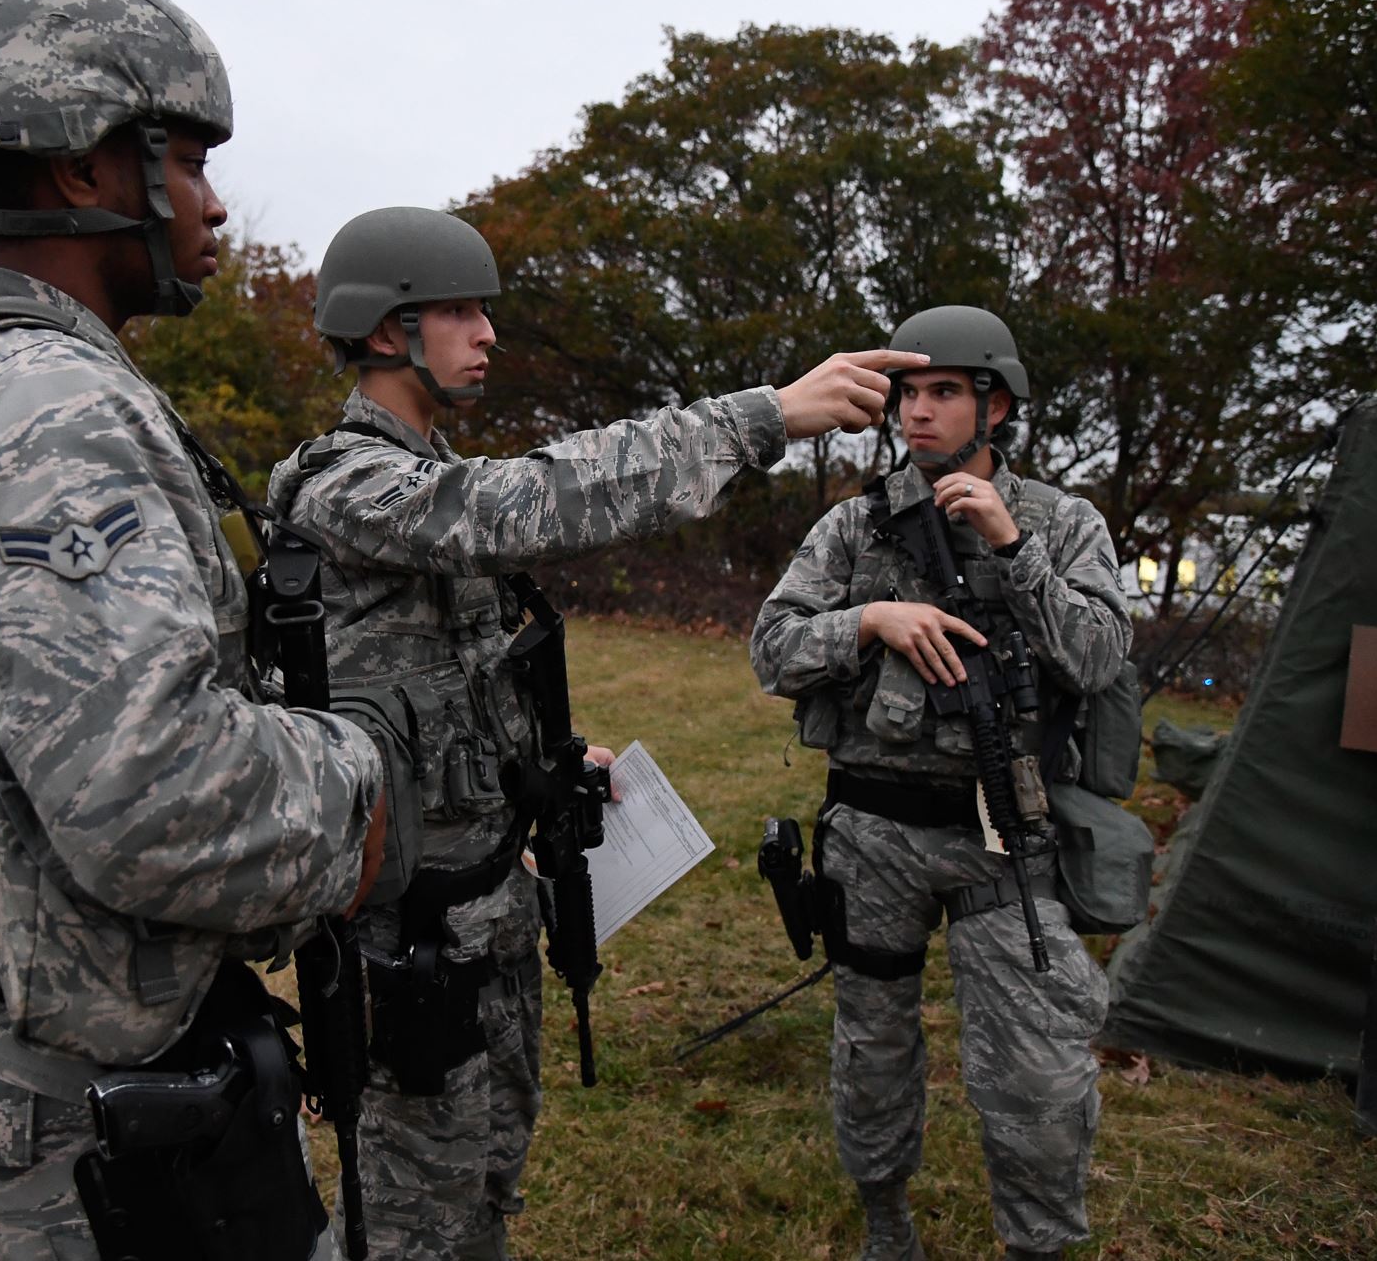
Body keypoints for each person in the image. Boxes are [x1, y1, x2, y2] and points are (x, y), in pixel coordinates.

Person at [0, 0, 386, 1261]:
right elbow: (146, 790)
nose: (213, 202)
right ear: (87, 172)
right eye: (184, 161)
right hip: (57, 1111)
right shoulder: (47, 406)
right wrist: (361, 790)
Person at [264, 204, 926, 1260]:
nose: (488, 334)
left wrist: (541, 764)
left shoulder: (426, 474)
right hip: (409, 939)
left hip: (490, 910)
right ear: (388, 330)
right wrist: (762, 415)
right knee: (404, 1223)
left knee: (483, 1193)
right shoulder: (351, 485)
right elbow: (538, 499)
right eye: (461, 311)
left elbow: (445, 675)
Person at [750, 306, 1130, 1261]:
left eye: (945, 393)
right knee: (873, 1052)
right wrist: (869, 620)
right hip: (872, 836)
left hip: (1001, 834)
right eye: (910, 394)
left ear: (993, 405)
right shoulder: (855, 524)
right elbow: (772, 649)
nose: (919, 412)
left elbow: (1097, 656)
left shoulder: (1060, 522)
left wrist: (1013, 551)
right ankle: (886, 1222)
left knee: (1038, 1072)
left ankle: (1037, 1242)